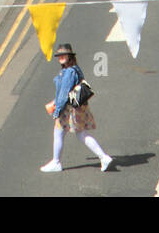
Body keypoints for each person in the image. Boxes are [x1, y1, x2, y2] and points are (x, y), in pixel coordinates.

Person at [40, 42, 113, 174]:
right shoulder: (74, 68)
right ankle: (57, 161)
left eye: (63, 55)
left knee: (76, 134)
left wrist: (57, 111)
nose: (61, 57)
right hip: (77, 108)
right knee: (65, 133)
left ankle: (102, 157)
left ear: (69, 56)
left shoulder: (69, 72)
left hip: (69, 110)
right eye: (59, 55)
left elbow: (63, 95)